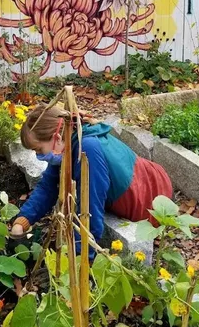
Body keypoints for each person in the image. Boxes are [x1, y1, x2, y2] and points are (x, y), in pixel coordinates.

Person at [10, 105, 173, 253]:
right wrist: (23, 220)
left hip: (151, 196)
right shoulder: (67, 142)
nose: (38, 156)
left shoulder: (87, 150)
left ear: (56, 137)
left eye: (38, 149)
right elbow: (48, 187)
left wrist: (82, 256)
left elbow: (89, 210)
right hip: (147, 176)